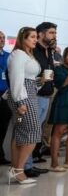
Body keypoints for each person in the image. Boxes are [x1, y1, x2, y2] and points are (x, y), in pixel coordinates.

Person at [6, 27, 42, 185]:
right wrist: (20, 101)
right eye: (32, 37)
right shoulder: (19, 54)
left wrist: (40, 82)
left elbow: (28, 78)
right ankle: (19, 170)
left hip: (30, 94)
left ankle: (15, 169)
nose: (35, 39)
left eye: (36, 37)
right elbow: (16, 78)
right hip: (23, 97)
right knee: (34, 131)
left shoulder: (28, 55)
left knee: (20, 132)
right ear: (23, 38)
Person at [30, 21, 57, 167]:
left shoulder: (49, 52)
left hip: (46, 96)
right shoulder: (33, 51)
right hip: (34, 95)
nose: (54, 35)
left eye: (55, 33)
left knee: (37, 130)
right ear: (40, 34)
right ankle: (25, 166)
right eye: (51, 32)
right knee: (31, 131)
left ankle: (30, 162)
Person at [0, 31, 12, 166]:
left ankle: (0, 155)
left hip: (6, 94)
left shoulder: (9, 56)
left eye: (3, 38)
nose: (2, 40)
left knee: (3, 126)